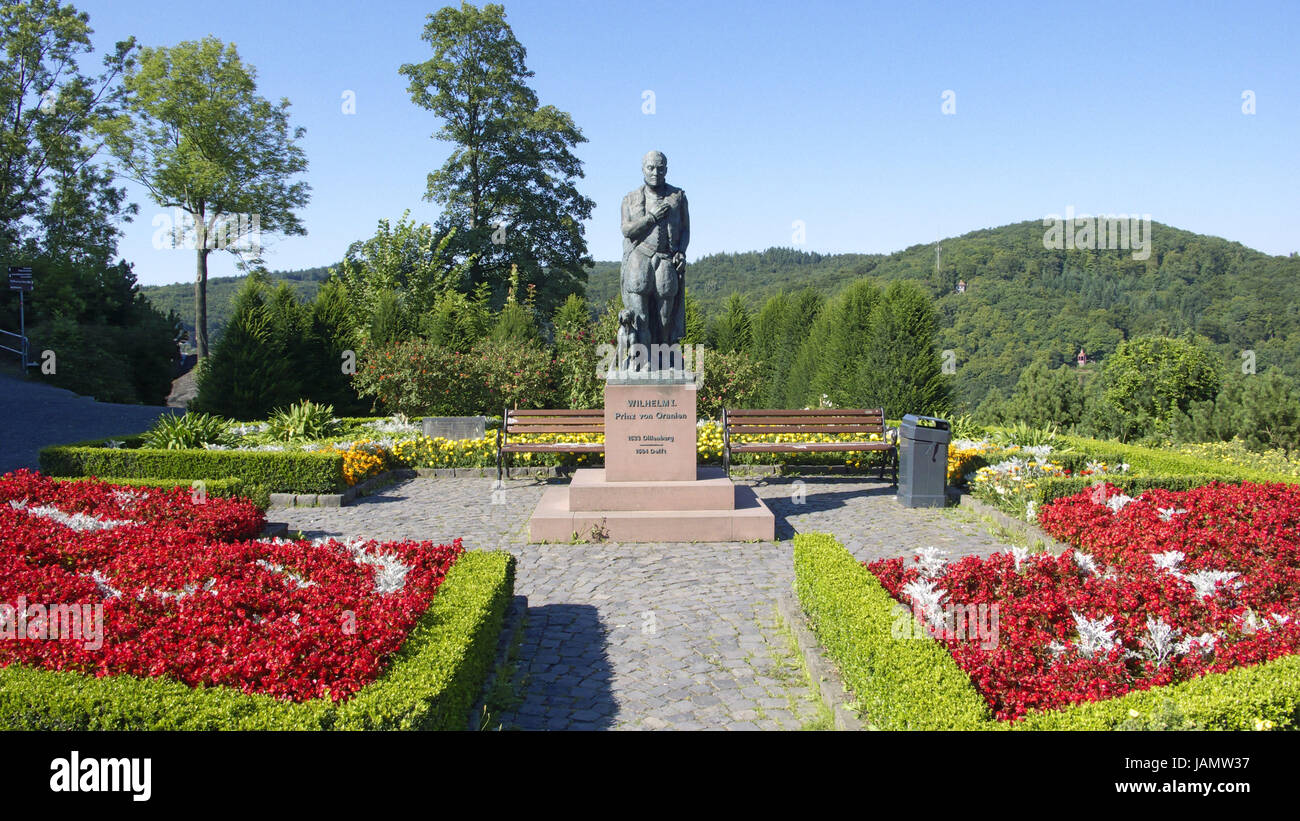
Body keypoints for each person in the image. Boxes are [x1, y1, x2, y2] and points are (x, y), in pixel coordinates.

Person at [620, 150, 690, 358]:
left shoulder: (678, 196)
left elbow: (686, 229)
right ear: (643, 169)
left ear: (666, 169)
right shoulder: (630, 198)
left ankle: (664, 359)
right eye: (650, 167)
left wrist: (681, 251)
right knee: (639, 316)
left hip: (666, 258)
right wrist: (651, 218)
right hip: (639, 257)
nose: (655, 172)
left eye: (660, 168)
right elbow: (626, 230)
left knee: (665, 318)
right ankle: (641, 362)